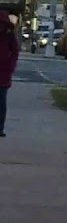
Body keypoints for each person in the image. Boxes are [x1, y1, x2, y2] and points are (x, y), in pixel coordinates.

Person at [0, 9, 19, 137]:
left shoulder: (9, 35)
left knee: (1, 102)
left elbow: (15, 52)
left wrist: (10, 66)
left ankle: (0, 127)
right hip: (5, 72)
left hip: (4, 73)